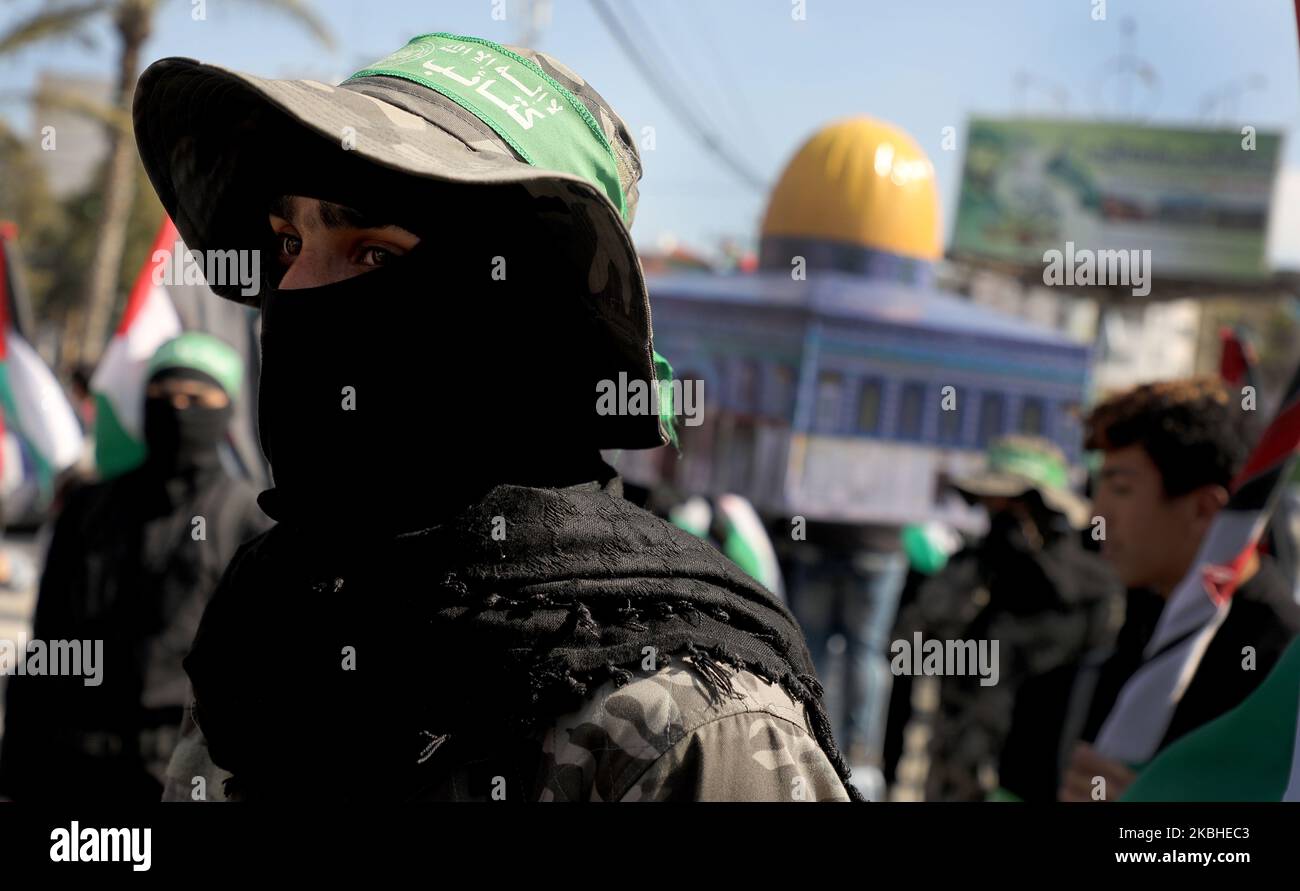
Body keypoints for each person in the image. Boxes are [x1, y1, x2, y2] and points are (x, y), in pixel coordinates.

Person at [133, 32, 860, 802]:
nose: (297, 292)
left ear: (521, 315)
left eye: (373, 251)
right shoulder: (266, 626)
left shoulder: (683, 728)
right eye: (288, 241)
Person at [0, 333, 271, 800]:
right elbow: (47, 641)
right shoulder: (89, 507)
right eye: (162, 396)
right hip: (69, 763)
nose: (177, 409)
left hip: (176, 770)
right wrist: (16, 766)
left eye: (195, 397)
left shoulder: (248, 520)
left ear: (225, 408)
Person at [1060, 378, 1300, 801]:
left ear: (1203, 510)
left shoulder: (1274, 652)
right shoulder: (1138, 611)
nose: (1098, 513)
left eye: (1121, 489)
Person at [892, 435, 1121, 801]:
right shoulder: (970, 568)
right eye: (995, 507)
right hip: (958, 768)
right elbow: (907, 651)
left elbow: (1076, 661)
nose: (1003, 519)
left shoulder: (1088, 583)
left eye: (1018, 507)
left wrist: (1031, 572)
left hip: (1037, 771)